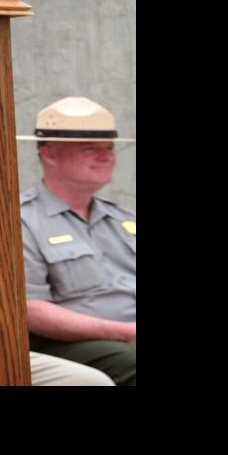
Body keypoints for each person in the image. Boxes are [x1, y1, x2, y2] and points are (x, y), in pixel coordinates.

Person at [18, 97, 137, 385]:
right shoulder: (22, 221)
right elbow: (31, 310)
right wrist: (126, 332)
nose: (106, 156)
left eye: (109, 148)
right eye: (90, 148)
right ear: (50, 155)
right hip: (63, 343)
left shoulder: (122, 219)